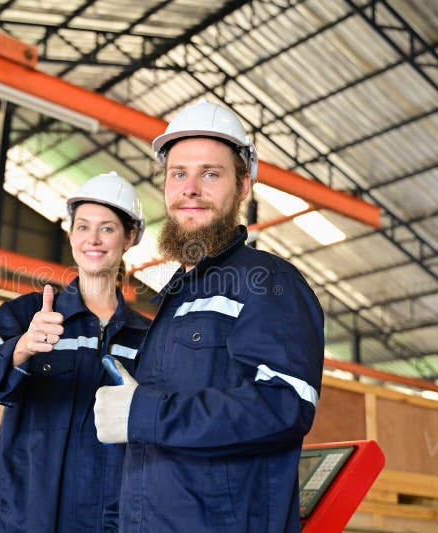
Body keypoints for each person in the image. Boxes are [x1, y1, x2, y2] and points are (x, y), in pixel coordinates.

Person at [94, 100, 325, 533]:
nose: (190, 188)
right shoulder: (175, 298)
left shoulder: (269, 282)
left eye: (211, 174)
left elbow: (285, 404)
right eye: (178, 174)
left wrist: (144, 413)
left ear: (243, 187)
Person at [0, 171, 151, 532]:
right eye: (82, 227)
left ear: (129, 237)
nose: (93, 239)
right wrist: (21, 348)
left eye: (107, 229)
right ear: (70, 235)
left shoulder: (145, 337)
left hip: (106, 519)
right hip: (22, 514)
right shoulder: (32, 314)